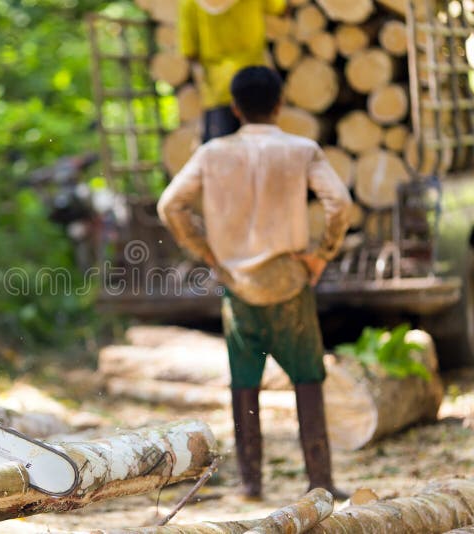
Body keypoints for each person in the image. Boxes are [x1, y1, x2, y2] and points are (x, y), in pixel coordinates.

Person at [157, 66, 351, 500]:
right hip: (289, 282)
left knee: (245, 381)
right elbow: (340, 203)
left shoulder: (212, 153)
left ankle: (251, 482)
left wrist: (206, 251)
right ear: (279, 104)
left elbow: (170, 205)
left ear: (235, 108)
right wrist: (322, 254)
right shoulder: (302, 149)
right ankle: (320, 480)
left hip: (237, 285)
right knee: (308, 379)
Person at [179, 0, 286, 142]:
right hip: (257, 84)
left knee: (219, 155)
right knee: (264, 150)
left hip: (218, 89)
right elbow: (280, 8)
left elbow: (189, 51)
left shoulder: (189, 2)